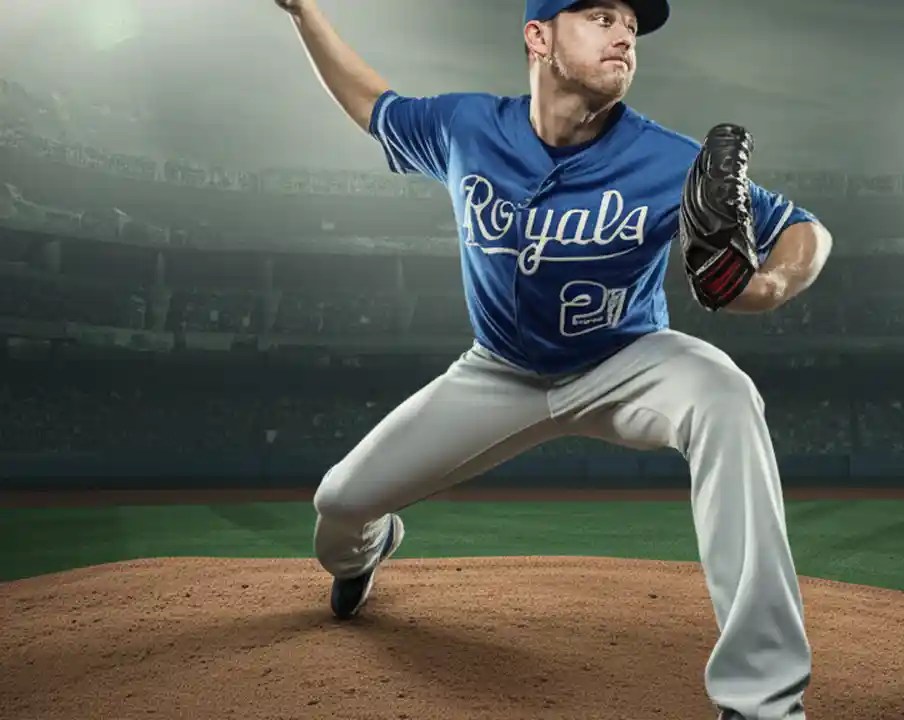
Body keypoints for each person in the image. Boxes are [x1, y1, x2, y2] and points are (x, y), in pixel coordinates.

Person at [272, 1, 832, 718]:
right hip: (497, 371)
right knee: (340, 504)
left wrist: (772, 282)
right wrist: (302, 12)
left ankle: (764, 698)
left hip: (627, 361)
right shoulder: (467, 128)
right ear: (538, 37)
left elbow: (805, 230)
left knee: (724, 394)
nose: (625, 33)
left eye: (631, 23)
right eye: (600, 15)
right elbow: (372, 106)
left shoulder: (667, 158)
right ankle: (368, 550)